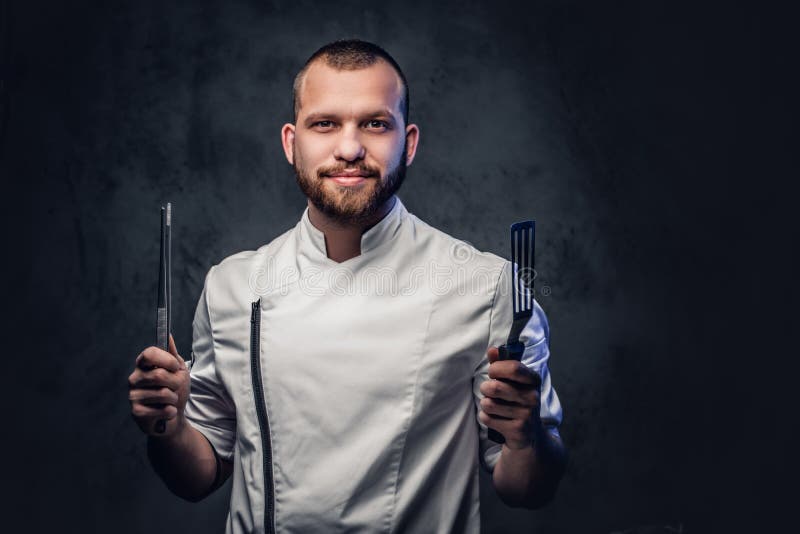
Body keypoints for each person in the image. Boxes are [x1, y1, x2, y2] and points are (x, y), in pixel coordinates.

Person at [128, 39, 567, 534]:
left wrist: (527, 438)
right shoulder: (233, 285)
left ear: (410, 141)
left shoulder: (487, 288)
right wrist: (167, 427)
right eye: (326, 123)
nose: (350, 148)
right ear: (292, 142)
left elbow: (527, 488)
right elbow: (201, 474)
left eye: (375, 124)